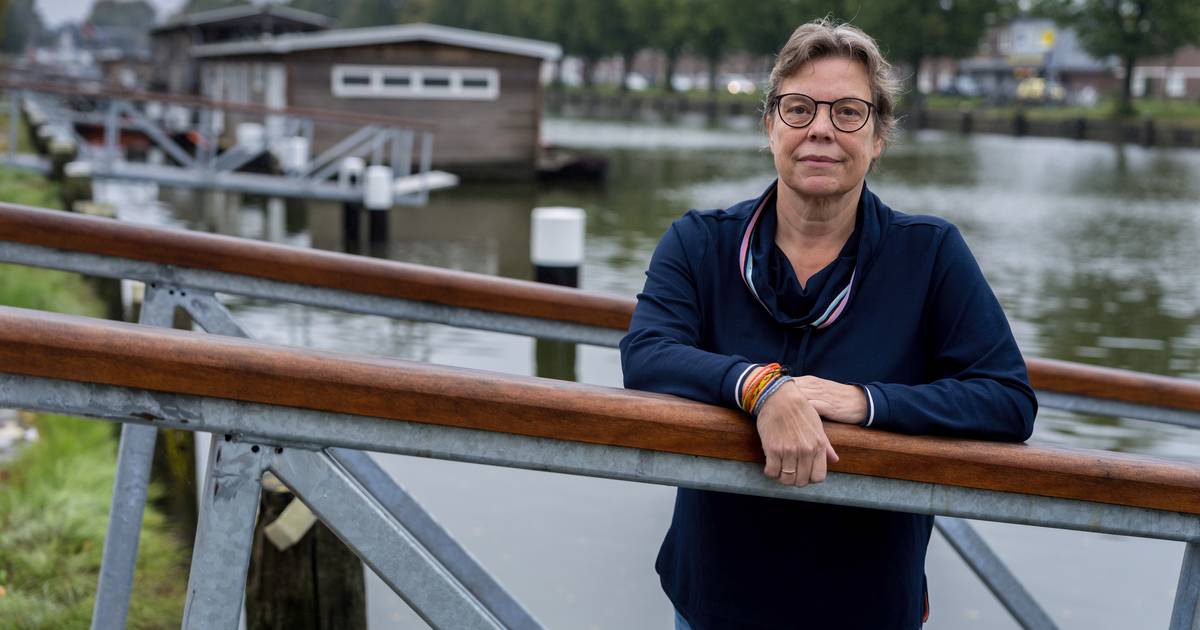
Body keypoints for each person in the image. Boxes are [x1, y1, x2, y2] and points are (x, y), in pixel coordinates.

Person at [619, 19, 1037, 630]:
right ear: (769, 127)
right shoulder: (698, 242)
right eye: (798, 109)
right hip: (716, 600)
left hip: (866, 606)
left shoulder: (930, 254)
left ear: (880, 135)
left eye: (847, 112)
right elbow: (648, 355)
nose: (820, 129)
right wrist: (761, 388)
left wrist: (866, 401)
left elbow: (1006, 398)